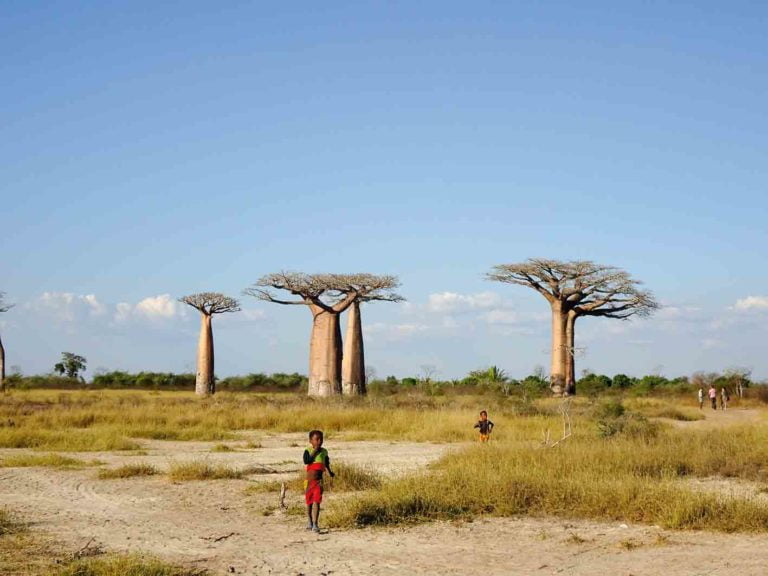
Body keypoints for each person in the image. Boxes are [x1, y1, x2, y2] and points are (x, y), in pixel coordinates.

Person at [303, 429, 334, 533]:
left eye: (321, 439)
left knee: (317, 501)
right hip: (308, 482)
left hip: (318, 482)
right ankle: (309, 522)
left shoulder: (324, 452)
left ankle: (315, 524)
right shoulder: (308, 450)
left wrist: (329, 472)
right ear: (310, 441)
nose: (319, 441)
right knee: (309, 503)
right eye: (316, 439)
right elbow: (307, 461)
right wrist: (315, 451)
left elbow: (326, 464)